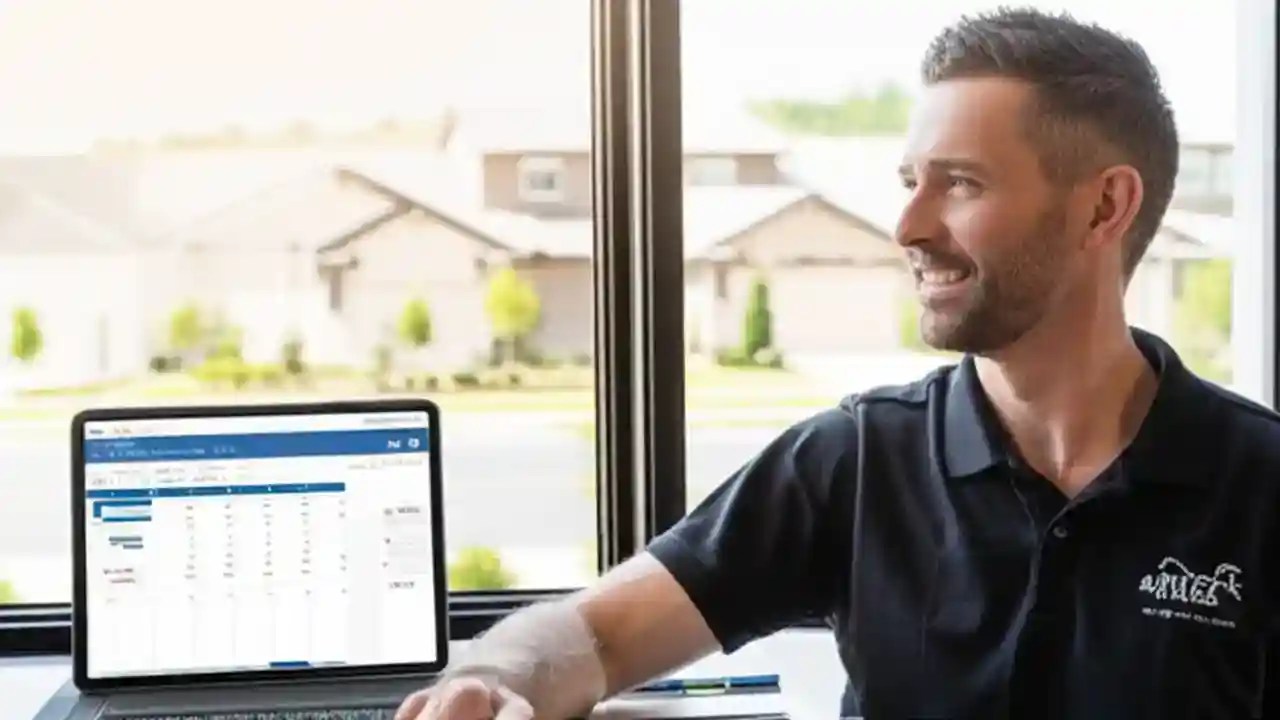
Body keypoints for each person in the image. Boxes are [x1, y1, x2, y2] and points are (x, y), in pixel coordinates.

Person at [398, 8, 1280, 719]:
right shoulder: (854, 463)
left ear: (1103, 208)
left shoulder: (1259, 481)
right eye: (911, 182)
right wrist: (495, 679)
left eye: (962, 183)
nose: (909, 227)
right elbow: (593, 639)